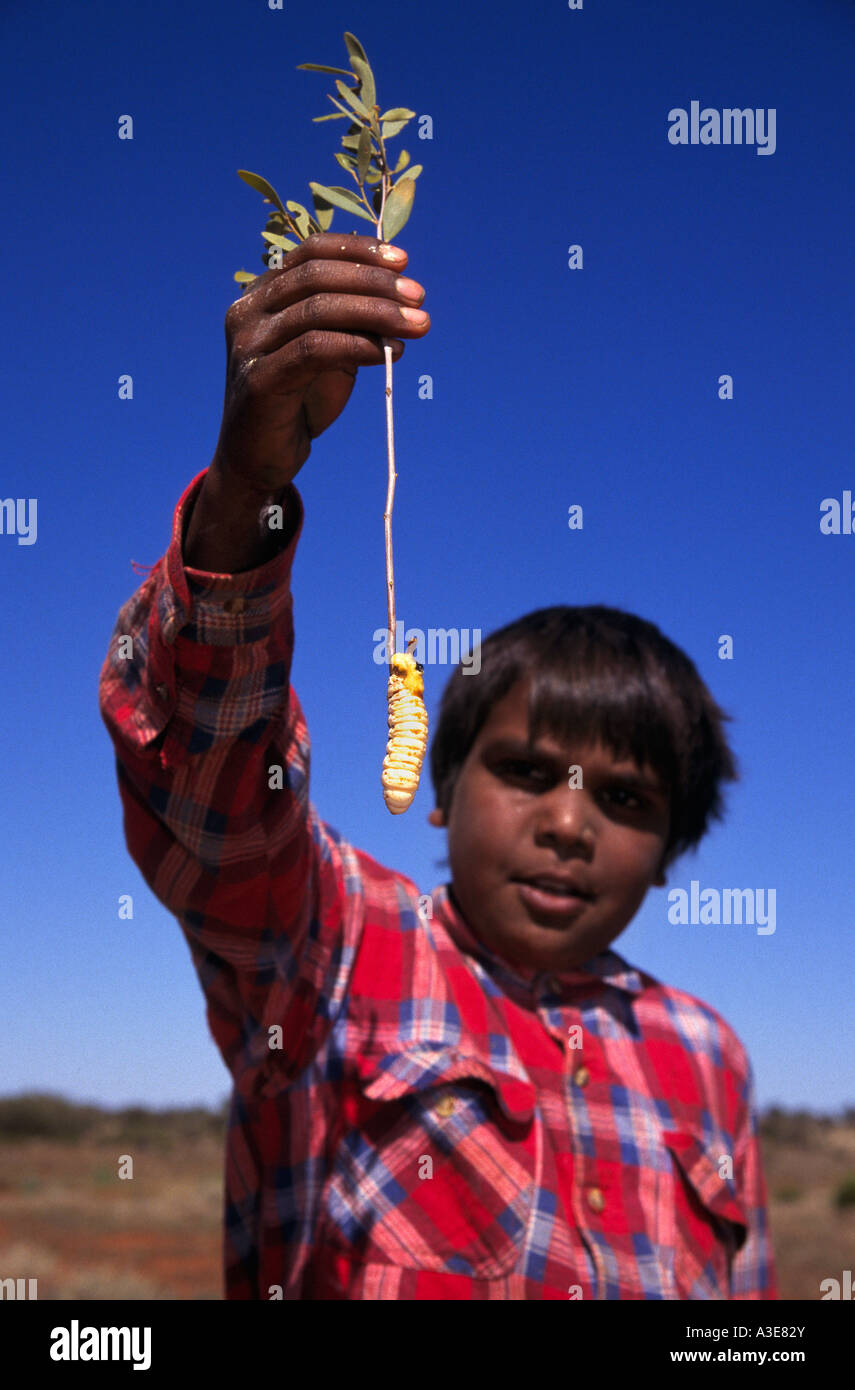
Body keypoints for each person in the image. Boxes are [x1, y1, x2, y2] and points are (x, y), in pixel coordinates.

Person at [99, 233, 777, 1300]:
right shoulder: (332, 947)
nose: (569, 824)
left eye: (628, 798)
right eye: (525, 769)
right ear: (446, 790)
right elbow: (214, 801)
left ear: (673, 849)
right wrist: (246, 498)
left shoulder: (707, 1053)